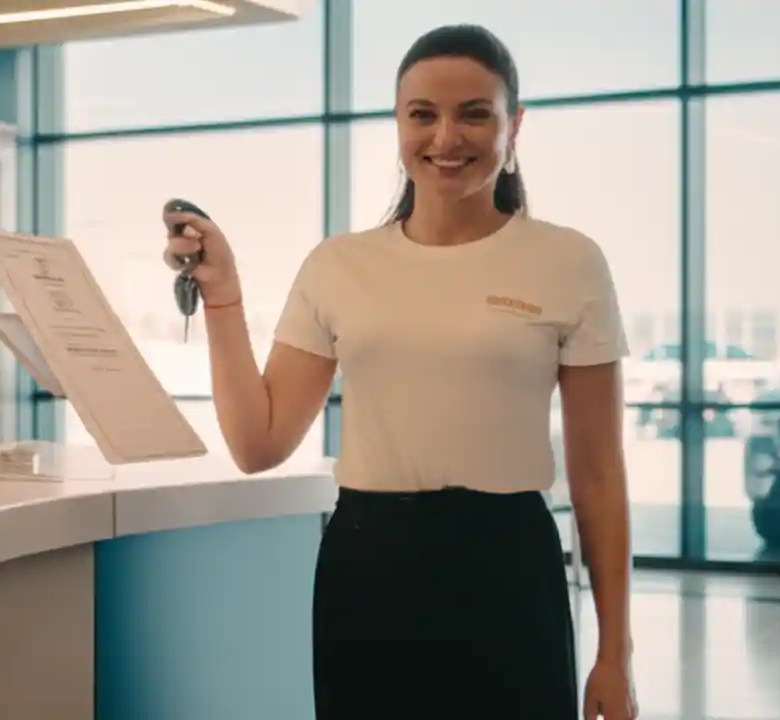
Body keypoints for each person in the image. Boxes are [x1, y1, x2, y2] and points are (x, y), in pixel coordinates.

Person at [161, 23, 638, 720]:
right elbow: (257, 443)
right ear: (398, 124)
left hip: (508, 568)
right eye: (423, 115)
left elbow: (600, 475)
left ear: (515, 125)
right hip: (369, 565)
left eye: (474, 112)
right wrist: (224, 293)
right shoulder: (340, 265)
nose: (446, 138)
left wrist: (616, 652)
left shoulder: (568, 262)